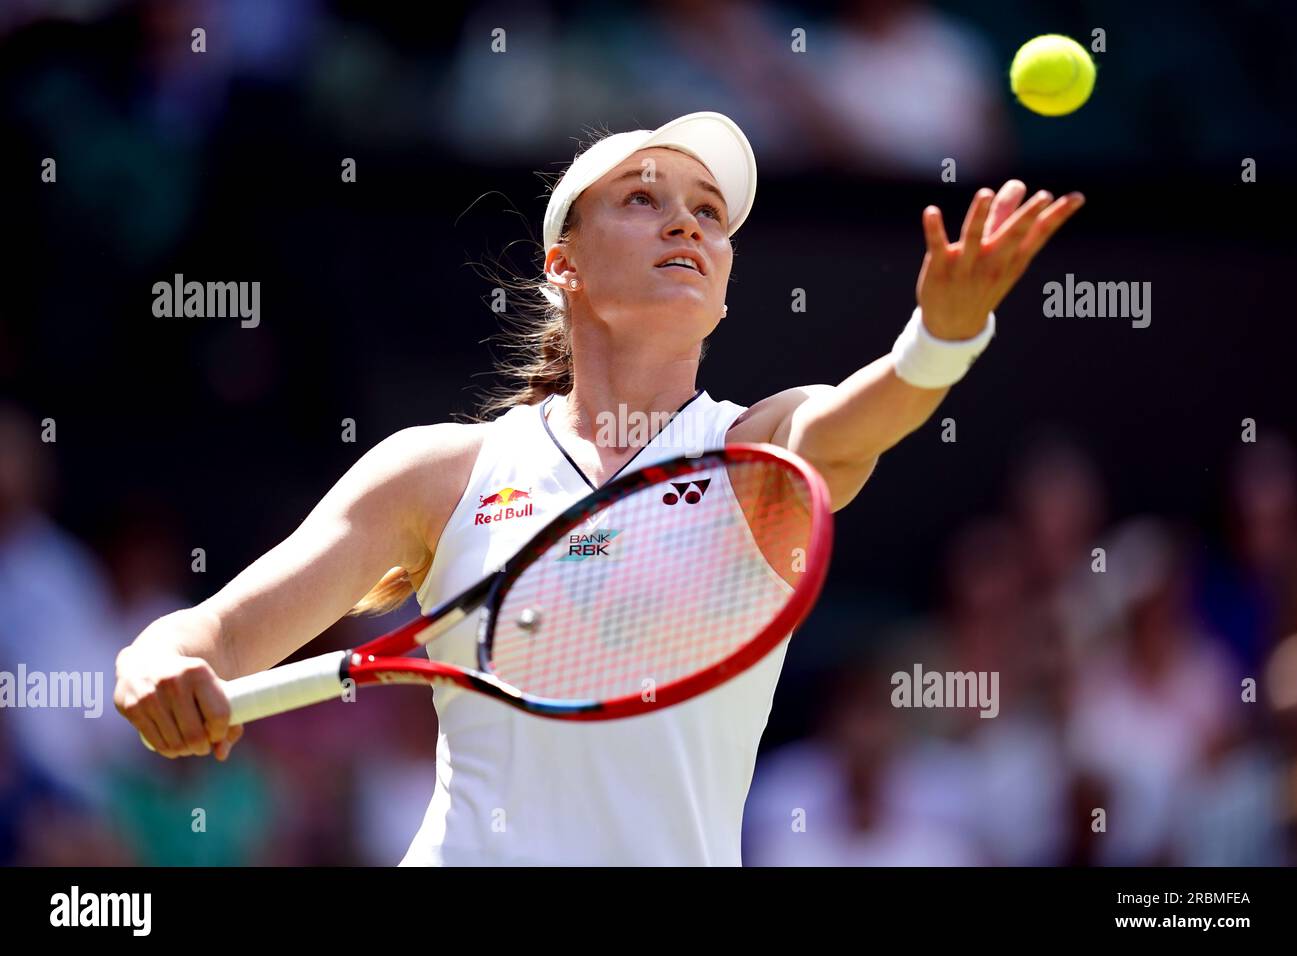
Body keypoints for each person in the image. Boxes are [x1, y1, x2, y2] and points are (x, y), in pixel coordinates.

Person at [114, 111, 1083, 865]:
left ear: (727, 281)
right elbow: (215, 634)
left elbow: (869, 412)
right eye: (642, 199)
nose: (686, 224)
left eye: (709, 212)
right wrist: (159, 662)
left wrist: (941, 335)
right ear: (562, 263)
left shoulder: (763, 459)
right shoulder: (437, 472)